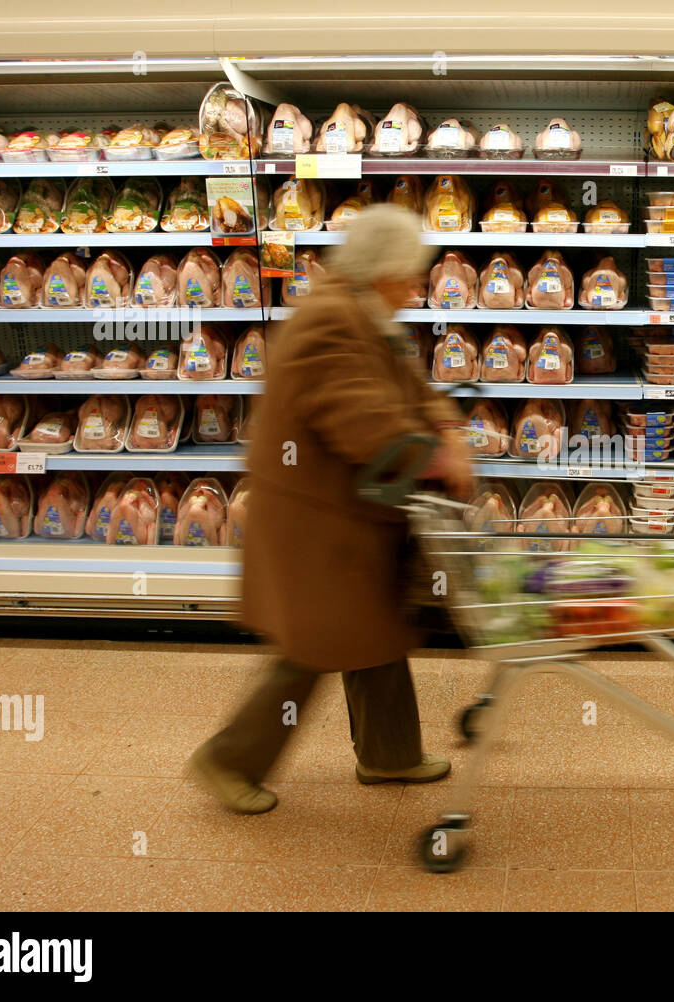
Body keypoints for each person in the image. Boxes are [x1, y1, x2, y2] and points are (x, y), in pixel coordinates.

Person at [187, 203, 474, 814]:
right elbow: (362, 421)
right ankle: (229, 759)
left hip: (351, 511)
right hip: (315, 519)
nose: (415, 290)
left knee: (374, 632)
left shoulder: (362, 309)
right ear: (382, 273)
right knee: (314, 646)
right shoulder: (331, 321)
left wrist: (444, 423)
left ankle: (389, 753)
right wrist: (439, 460)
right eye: (410, 278)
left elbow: (407, 386)